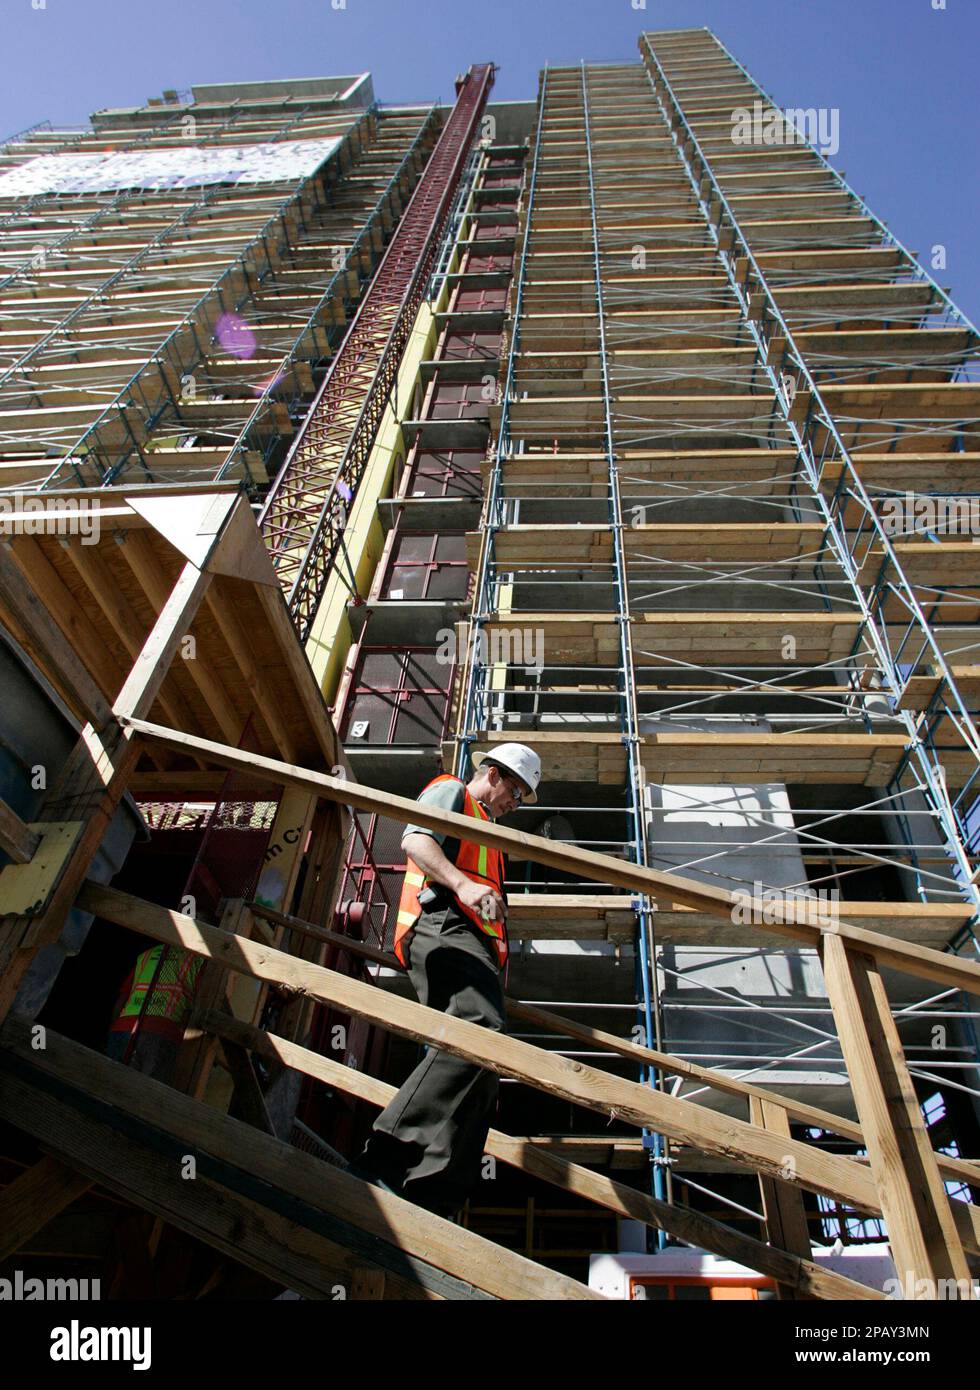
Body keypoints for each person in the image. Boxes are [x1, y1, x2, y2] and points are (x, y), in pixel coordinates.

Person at [350, 743, 541, 1218]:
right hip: (441, 927)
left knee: (482, 1067)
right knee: (478, 1026)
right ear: (494, 775)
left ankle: (435, 1197)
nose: (513, 805)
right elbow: (414, 841)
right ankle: (386, 1155)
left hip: (470, 947)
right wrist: (464, 885)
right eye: (515, 793)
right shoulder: (451, 790)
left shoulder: (491, 838)